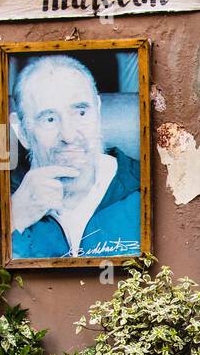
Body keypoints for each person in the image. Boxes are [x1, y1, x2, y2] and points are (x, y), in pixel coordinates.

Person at [8, 54, 141, 259]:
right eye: (50, 119)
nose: (69, 136)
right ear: (23, 132)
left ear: (97, 111)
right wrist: (13, 216)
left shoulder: (144, 186)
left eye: (80, 113)